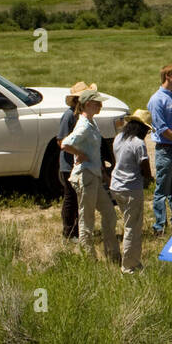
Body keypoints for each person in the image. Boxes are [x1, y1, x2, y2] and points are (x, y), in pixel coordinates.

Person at [61, 90, 119, 265]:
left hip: (93, 175)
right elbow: (65, 143)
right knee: (87, 219)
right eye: (96, 103)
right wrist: (79, 153)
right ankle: (89, 258)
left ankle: (112, 253)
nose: (100, 106)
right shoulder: (84, 125)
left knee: (109, 213)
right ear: (87, 105)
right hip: (85, 176)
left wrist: (102, 173)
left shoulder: (91, 123)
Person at [110, 109, 153, 273]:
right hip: (131, 189)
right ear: (142, 128)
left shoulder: (119, 137)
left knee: (129, 224)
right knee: (132, 228)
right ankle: (129, 265)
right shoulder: (138, 143)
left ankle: (133, 260)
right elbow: (145, 168)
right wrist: (149, 180)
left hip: (116, 185)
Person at [148, 64, 172, 235]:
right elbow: (161, 128)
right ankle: (159, 225)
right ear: (167, 76)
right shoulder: (157, 100)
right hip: (165, 148)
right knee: (162, 189)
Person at [58, 82, 95, 239]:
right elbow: (61, 141)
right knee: (71, 198)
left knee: (80, 198)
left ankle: (80, 230)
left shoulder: (81, 116)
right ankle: (69, 231)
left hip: (79, 164)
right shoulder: (69, 116)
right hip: (68, 165)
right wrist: (78, 153)